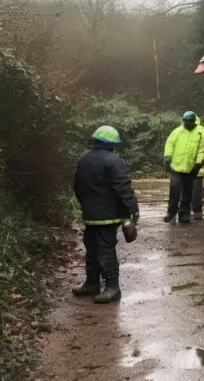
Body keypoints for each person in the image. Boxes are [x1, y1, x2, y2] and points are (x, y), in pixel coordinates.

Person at [72, 125, 139, 303]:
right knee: (106, 251)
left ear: (95, 141)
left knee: (91, 250)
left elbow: (77, 187)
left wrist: (86, 205)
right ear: (112, 144)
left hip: (90, 215)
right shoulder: (113, 161)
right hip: (108, 217)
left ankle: (92, 283)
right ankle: (112, 287)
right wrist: (132, 211)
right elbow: (123, 189)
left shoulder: (83, 160)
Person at [163, 111, 204, 223]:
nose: (186, 124)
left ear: (193, 122)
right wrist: (167, 156)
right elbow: (170, 143)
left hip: (191, 168)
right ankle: (171, 213)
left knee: (187, 193)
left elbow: (202, 149)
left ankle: (184, 215)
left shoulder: (201, 132)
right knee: (175, 190)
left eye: (189, 122)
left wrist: (198, 163)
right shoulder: (178, 131)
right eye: (185, 122)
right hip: (176, 167)